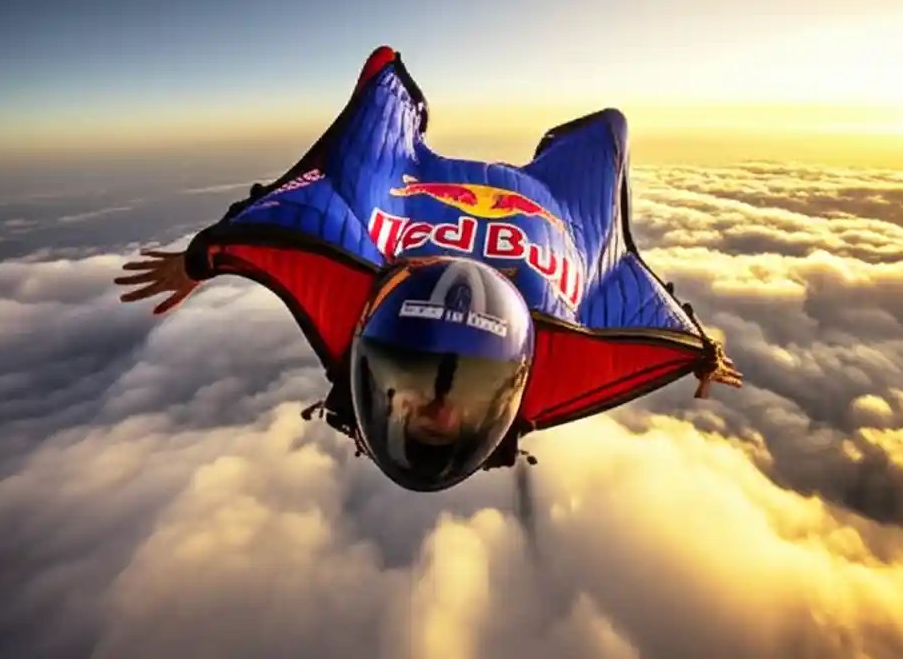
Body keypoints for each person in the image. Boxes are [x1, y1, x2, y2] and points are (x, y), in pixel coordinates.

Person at [116, 47, 742, 491]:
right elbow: (639, 325)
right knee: (603, 140)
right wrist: (698, 351)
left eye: (406, 391)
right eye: (456, 410)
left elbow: (284, 223)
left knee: (373, 116)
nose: (434, 402)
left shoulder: (342, 284)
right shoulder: (567, 357)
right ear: (505, 399)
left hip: (405, 193)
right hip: (558, 205)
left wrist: (204, 258)